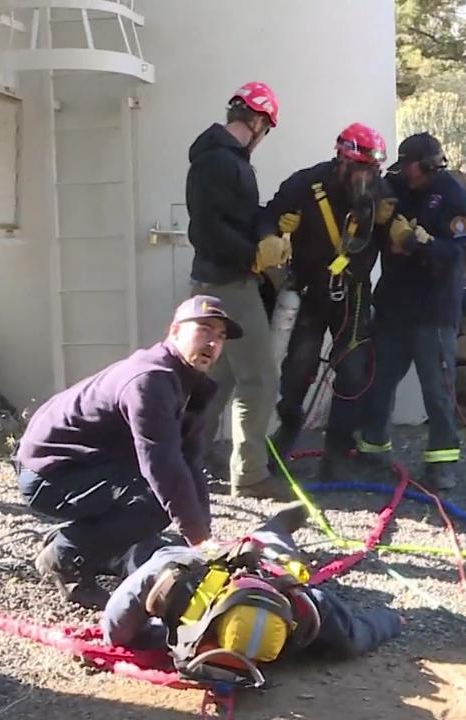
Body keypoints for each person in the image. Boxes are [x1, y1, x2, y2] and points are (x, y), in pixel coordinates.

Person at [13, 295, 242, 608]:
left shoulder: (191, 384)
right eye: (204, 329)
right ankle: (64, 556)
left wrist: (207, 542)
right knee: (155, 503)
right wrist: (199, 540)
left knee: (161, 504)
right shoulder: (152, 380)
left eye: (220, 336)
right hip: (49, 473)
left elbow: (190, 462)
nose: (212, 343)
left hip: (87, 464)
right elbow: (163, 465)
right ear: (174, 330)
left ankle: (95, 544)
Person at [100, 501, 404, 688]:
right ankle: (276, 528)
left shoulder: (308, 609)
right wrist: (393, 619)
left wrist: (391, 620)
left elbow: (355, 636)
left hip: (271, 566)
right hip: (226, 560)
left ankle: (277, 527)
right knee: (146, 553)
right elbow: (354, 635)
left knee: (276, 550)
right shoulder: (174, 575)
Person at [258, 122, 396, 482]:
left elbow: (399, 227)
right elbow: (267, 217)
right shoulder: (306, 185)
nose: (369, 176)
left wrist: (395, 225)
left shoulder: (381, 193)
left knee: (353, 374)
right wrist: (274, 232)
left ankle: (337, 453)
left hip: (354, 295)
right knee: (299, 370)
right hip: (310, 291)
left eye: (374, 169)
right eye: (362, 168)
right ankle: (280, 442)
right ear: (342, 160)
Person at [185, 80, 294, 501]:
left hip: (221, 278)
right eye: (267, 126)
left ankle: (187, 458)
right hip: (228, 282)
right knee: (261, 379)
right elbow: (207, 229)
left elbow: (241, 216)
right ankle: (249, 476)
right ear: (258, 120)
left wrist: (269, 234)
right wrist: (253, 256)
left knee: (220, 376)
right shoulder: (218, 162)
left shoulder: (228, 160)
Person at [355, 133, 466, 491]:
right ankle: (372, 449)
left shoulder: (456, 200)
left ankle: (442, 463)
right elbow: (378, 184)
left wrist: (417, 243)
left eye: (407, 165)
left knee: (436, 389)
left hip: (433, 312)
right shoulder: (400, 185)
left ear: (424, 165)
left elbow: (458, 253)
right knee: (378, 381)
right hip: (395, 307)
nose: (403, 172)